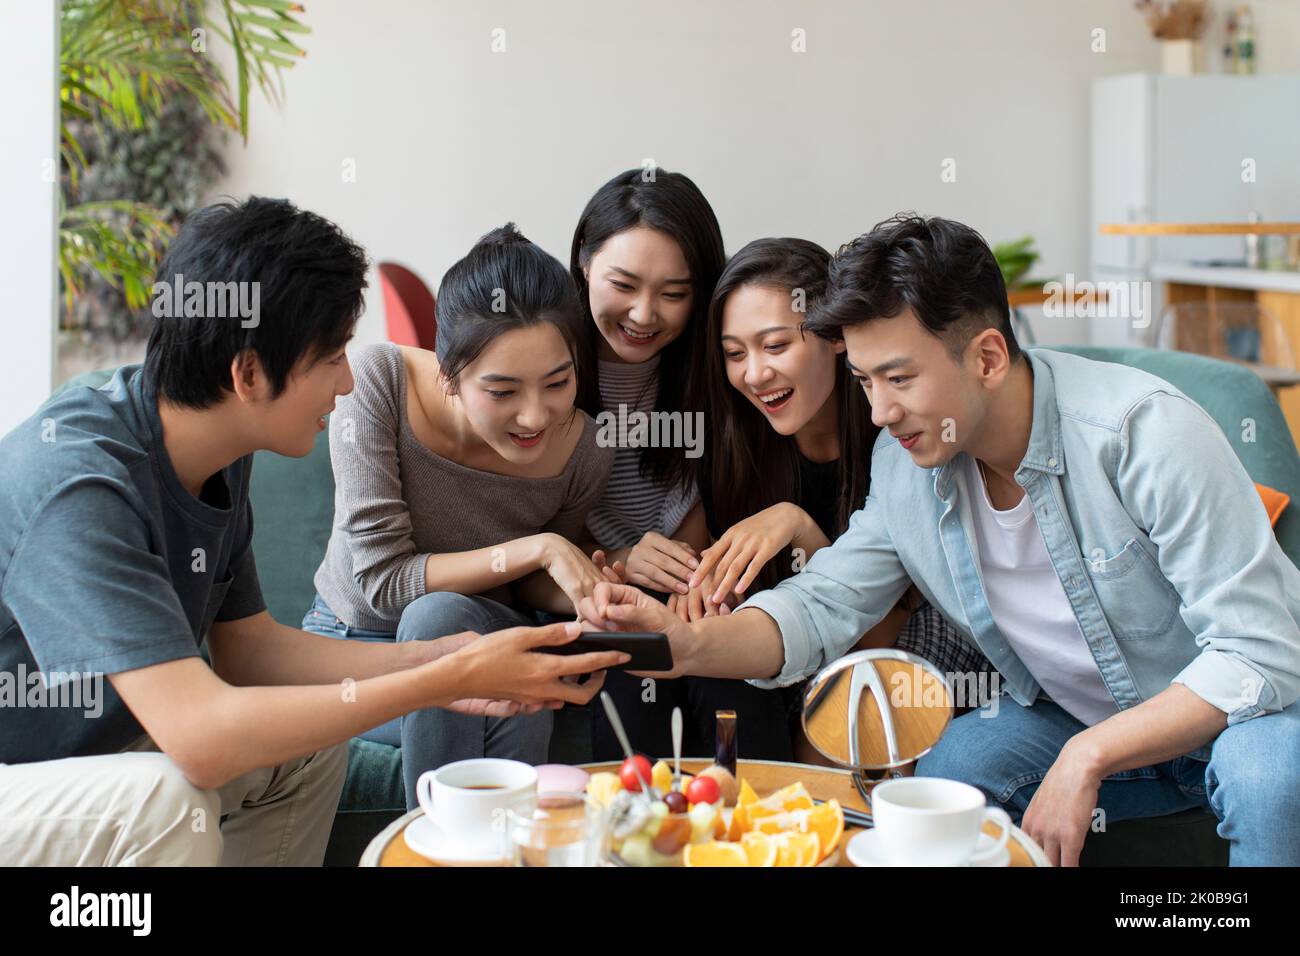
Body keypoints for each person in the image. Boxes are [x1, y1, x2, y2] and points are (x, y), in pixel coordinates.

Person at [578, 213, 1300, 866]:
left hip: (1234, 718)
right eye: (863, 380)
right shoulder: (907, 469)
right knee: (962, 763)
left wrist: (1090, 754)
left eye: (899, 378)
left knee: (1269, 778)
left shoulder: (1144, 434)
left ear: (986, 357)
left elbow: (1260, 651)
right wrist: (677, 642)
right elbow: (822, 604)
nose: (880, 411)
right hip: (1073, 720)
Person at [0, 198, 626, 866]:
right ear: (248, 374)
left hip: (92, 757)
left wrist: (449, 662)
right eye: (330, 357)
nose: (348, 379)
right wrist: (443, 679)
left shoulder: (214, 455)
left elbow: (252, 656)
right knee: (163, 800)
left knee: (309, 737)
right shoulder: (81, 478)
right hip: (23, 776)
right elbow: (201, 740)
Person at [309, 223, 617, 805]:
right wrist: (540, 547)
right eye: (502, 392)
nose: (535, 417)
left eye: (558, 382)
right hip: (353, 650)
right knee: (459, 641)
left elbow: (526, 590)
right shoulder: (376, 384)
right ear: (448, 373)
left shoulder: (586, 449)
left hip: (482, 636)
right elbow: (382, 583)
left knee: (466, 635)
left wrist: (584, 589)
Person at [680, 237, 994, 757]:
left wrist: (802, 531)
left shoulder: (899, 435)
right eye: (735, 354)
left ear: (836, 337)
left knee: (854, 705)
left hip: (898, 655)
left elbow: (880, 645)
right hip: (786, 652)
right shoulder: (735, 446)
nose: (755, 374)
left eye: (776, 346)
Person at [570, 168, 793, 761]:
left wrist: (692, 582)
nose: (645, 315)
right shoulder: (548, 360)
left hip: (687, 582)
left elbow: (716, 495)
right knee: (634, 668)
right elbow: (533, 511)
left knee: (730, 672)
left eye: (674, 294)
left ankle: (754, 837)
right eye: (624, 284)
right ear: (586, 265)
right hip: (595, 591)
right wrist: (619, 561)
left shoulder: (717, 366)